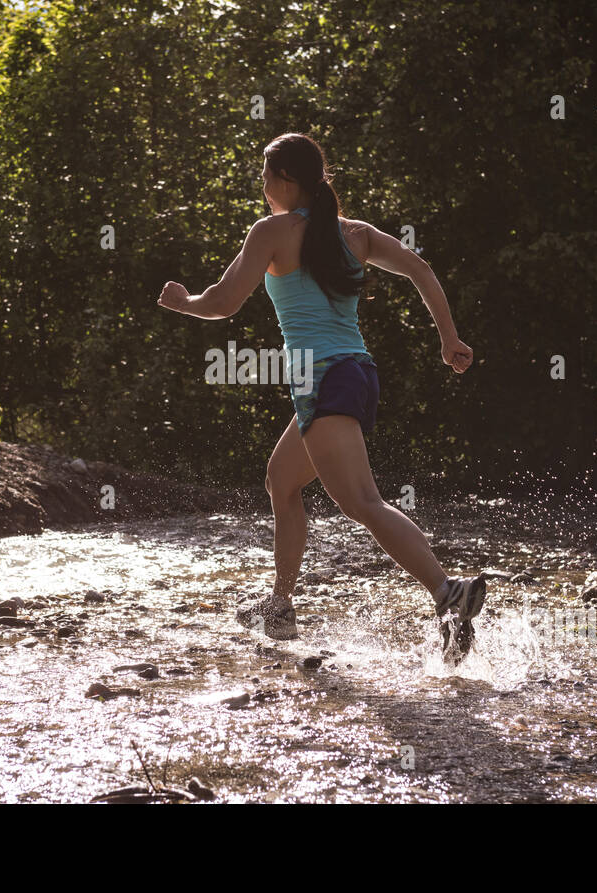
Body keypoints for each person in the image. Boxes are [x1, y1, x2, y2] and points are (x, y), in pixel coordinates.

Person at [157, 132, 487, 663]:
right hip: (353, 372)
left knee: (362, 501)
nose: (262, 187)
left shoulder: (271, 232)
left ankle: (447, 592)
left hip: (323, 377)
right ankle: (281, 606)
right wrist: (448, 338)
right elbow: (421, 270)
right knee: (281, 480)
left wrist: (183, 302)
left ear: (286, 180)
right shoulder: (354, 234)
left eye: (266, 176)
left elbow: (222, 304)